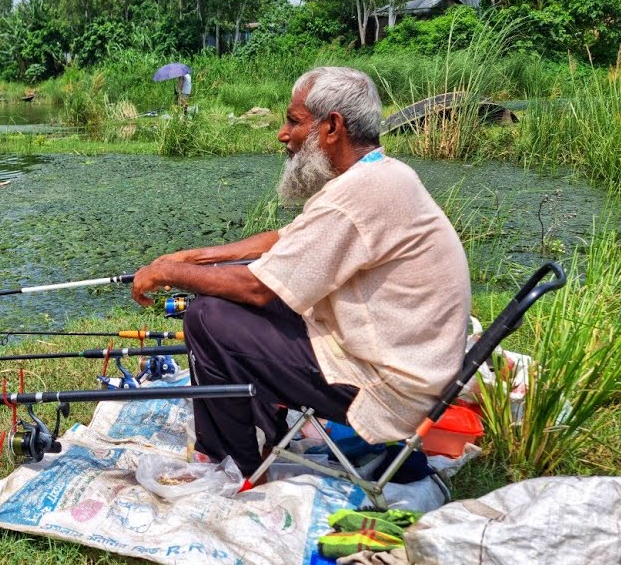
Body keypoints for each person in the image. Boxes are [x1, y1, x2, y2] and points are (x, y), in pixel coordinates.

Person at [131, 66, 471, 475]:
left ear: (332, 127)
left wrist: (167, 272)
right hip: (399, 367)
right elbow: (282, 239)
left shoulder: (357, 195)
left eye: (293, 121)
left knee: (208, 317)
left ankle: (232, 464)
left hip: (387, 391)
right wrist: (194, 257)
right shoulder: (381, 174)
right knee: (224, 296)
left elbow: (256, 288)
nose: (282, 133)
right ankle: (259, 428)